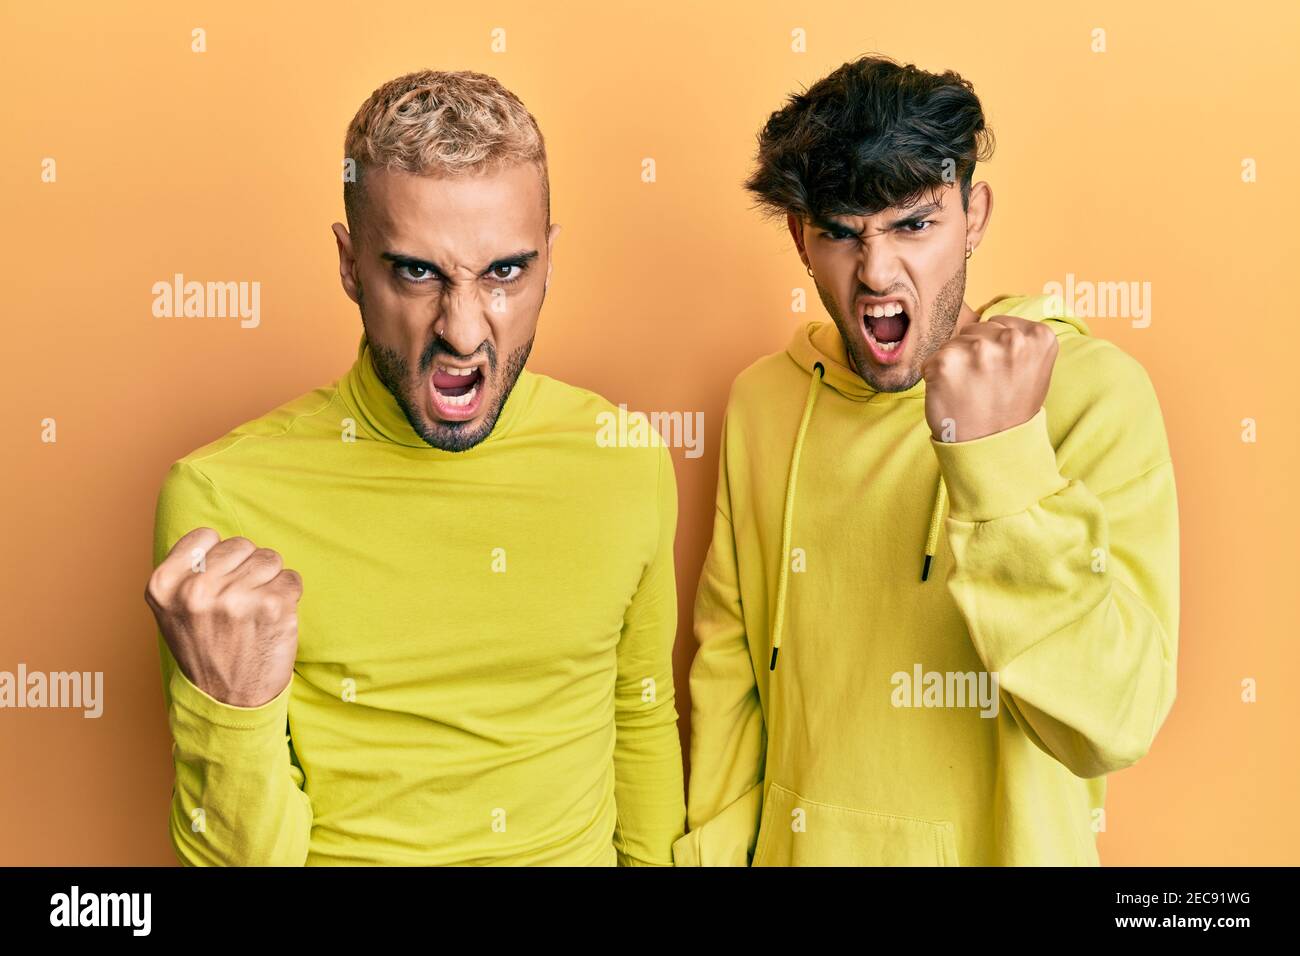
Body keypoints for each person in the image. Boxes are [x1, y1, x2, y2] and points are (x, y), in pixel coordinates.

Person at [145, 69, 684, 866]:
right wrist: (231, 712)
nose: (464, 332)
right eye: (418, 271)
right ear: (348, 262)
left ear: (549, 260)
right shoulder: (223, 500)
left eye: (505, 272)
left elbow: (640, 722)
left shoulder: (625, 461)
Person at [675, 55, 1179, 866]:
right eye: (842, 232)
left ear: (973, 215)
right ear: (803, 239)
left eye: (914, 224)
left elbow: (1114, 720)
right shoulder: (765, 405)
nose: (876, 271)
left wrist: (996, 457)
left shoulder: (1090, 393)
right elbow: (728, 674)